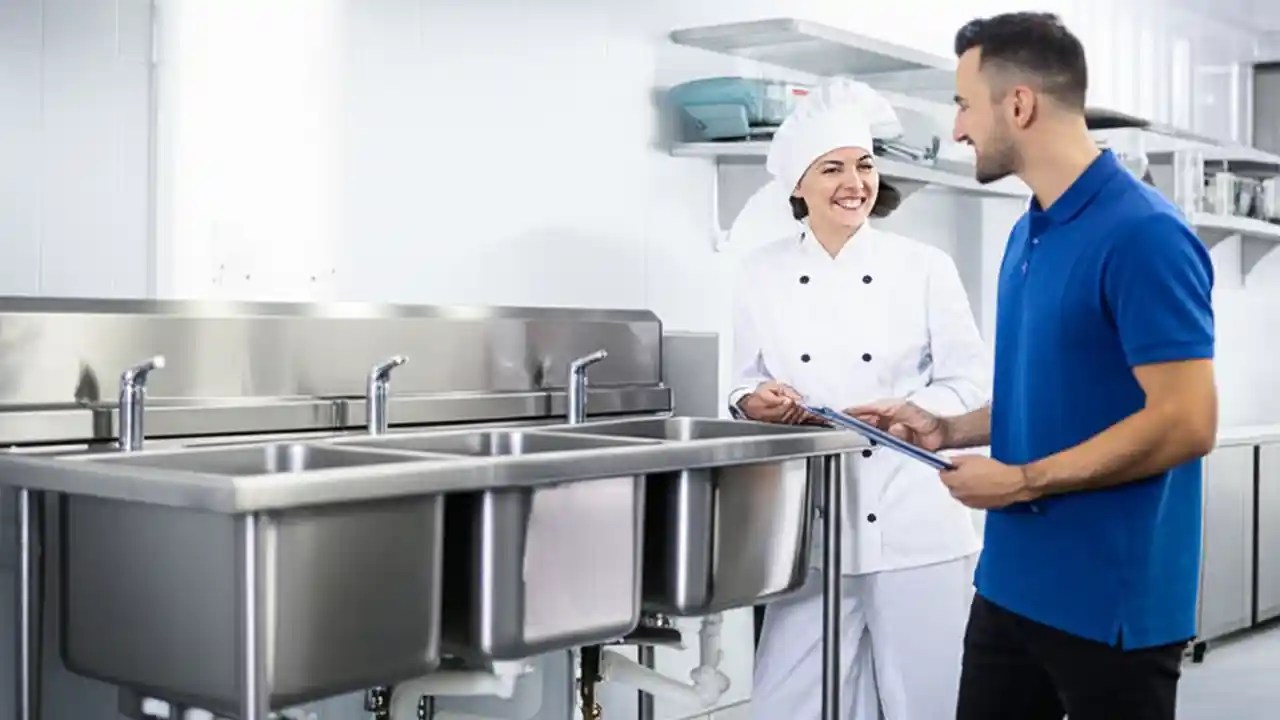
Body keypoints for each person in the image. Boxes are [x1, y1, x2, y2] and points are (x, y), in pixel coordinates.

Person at [852, 13, 1218, 720]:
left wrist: (1019, 481)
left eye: (963, 104)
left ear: (1018, 104)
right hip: (1011, 585)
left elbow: (1187, 421)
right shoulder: (1030, 230)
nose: (958, 129)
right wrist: (949, 429)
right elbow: (1052, 394)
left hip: (1110, 604)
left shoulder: (1144, 235)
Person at [729, 77, 992, 720]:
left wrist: (918, 410)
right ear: (799, 186)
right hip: (812, 524)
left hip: (915, 519)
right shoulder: (757, 271)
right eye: (833, 168)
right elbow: (738, 380)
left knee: (929, 702)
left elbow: (974, 383)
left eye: (865, 165)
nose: (855, 182)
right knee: (788, 702)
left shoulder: (925, 266)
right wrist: (752, 399)